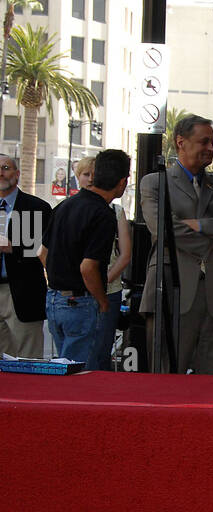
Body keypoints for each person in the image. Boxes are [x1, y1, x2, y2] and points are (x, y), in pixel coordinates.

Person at [139, 116, 213, 375]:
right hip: (170, 291)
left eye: (212, 141)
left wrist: (200, 225)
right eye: (204, 141)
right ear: (181, 143)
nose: (211, 148)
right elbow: (164, 229)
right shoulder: (155, 183)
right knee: (166, 381)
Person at [39, 149, 130, 368]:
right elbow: (88, 267)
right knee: (82, 372)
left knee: (66, 367)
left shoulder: (64, 206)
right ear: (122, 183)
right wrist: (102, 300)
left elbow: (43, 253)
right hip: (81, 301)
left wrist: (61, 280)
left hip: (55, 299)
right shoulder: (103, 214)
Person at [75, 156, 131, 370]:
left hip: (108, 289)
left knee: (100, 353)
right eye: (86, 174)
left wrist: (102, 282)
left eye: (93, 174)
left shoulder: (115, 212)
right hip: (78, 292)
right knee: (79, 359)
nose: (90, 179)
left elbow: (125, 254)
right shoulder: (67, 207)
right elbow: (45, 253)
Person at [0, 154, 52, 359]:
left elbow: (43, 252)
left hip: (22, 293)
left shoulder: (35, 207)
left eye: (6, 167)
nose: (1, 172)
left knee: (28, 358)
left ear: (17, 174)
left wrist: (12, 247)